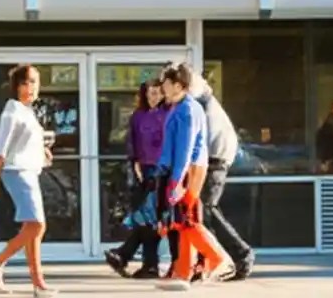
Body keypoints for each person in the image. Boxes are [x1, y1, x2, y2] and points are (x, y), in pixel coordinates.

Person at [166, 67, 255, 281]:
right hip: (214, 158)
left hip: (213, 159)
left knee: (204, 210)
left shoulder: (195, 103)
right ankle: (203, 263)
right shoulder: (202, 102)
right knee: (201, 212)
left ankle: (238, 255)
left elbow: (193, 141)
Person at [154, 63, 232, 291]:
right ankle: (183, 272)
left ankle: (217, 258)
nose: (163, 87)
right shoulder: (181, 107)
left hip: (189, 169)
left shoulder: (187, 109)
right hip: (185, 168)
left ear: (179, 85)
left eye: (166, 83)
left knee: (186, 220)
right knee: (182, 222)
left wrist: (176, 180)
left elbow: (185, 149)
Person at [0, 65, 58, 297]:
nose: (30, 87)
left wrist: (43, 153)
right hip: (16, 171)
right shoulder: (12, 111)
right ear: (16, 87)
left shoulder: (28, 112)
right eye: (25, 83)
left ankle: (37, 283)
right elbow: (1, 149)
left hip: (30, 171)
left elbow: (25, 144)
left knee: (32, 228)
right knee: (37, 225)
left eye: (34, 82)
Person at [105, 80, 167, 279]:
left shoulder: (167, 115)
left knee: (150, 218)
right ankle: (142, 261)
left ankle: (130, 256)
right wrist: (135, 163)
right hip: (143, 170)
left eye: (157, 93)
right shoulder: (138, 116)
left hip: (162, 170)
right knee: (146, 217)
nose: (153, 97)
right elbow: (132, 142)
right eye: (150, 93)